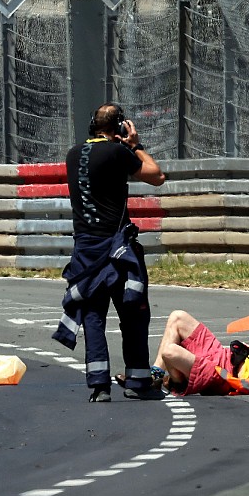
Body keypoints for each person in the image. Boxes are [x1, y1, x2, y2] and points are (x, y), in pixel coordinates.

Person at [53, 103, 167, 402]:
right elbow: (157, 176)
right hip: (117, 249)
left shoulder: (73, 154)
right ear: (118, 128)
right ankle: (138, 382)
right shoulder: (119, 153)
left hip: (85, 251)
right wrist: (135, 145)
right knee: (134, 311)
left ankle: (99, 386)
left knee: (93, 315)